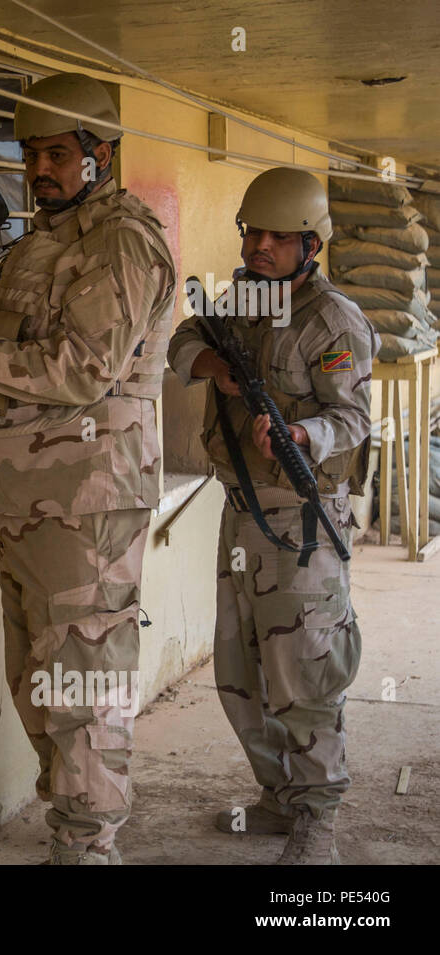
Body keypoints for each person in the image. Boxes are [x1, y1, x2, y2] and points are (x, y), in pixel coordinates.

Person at [0, 73, 176, 864]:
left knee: (84, 690)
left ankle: (90, 847)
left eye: (59, 153)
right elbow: (11, 358)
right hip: (27, 497)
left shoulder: (123, 242)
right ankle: (74, 828)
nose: (41, 168)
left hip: (90, 502)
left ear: (100, 154)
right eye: (31, 153)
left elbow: (81, 367)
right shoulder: (36, 242)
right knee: (39, 683)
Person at [167, 166, 377, 864]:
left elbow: (350, 418)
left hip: (302, 521)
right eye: (252, 233)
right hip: (240, 517)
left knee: (304, 671)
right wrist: (215, 369)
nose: (259, 245)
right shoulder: (242, 301)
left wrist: (302, 436)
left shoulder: (332, 320)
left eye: (277, 237)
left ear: (310, 244)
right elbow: (183, 341)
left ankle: (319, 816)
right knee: (241, 670)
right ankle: (280, 794)